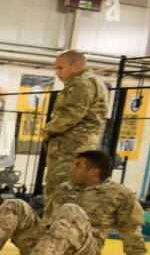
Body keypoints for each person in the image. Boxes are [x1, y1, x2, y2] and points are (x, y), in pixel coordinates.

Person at [0, 149, 150, 255]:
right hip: (47, 244)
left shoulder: (121, 194)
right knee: (16, 204)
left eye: (78, 165)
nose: (72, 169)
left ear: (94, 171)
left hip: (82, 253)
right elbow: (48, 220)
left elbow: (131, 230)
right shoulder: (65, 188)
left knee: (71, 209)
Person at [41, 51, 108, 196]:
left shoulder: (81, 83)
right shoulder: (92, 82)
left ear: (76, 66)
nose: (57, 73)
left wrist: (47, 131)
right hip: (79, 145)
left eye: (60, 68)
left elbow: (70, 115)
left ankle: (56, 219)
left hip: (70, 147)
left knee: (60, 190)